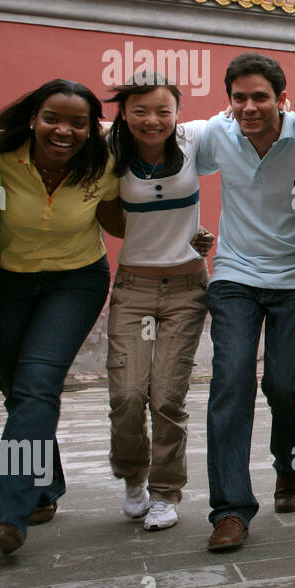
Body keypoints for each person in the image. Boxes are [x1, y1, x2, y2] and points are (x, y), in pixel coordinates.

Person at [0, 79, 121, 555]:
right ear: (32, 118)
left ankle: (12, 513)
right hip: (9, 280)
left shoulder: (106, 158)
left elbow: (121, 214)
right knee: (19, 391)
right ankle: (46, 483)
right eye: (52, 118)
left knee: (37, 384)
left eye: (79, 123)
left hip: (76, 280)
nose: (64, 131)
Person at [197, 53, 295, 552]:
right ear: (229, 101)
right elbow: (161, 146)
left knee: (288, 385)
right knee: (230, 381)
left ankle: (290, 466)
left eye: (260, 97)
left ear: (282, 99)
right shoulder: (216, 133)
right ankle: (229, 509)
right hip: (234, 275)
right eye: (239, 98)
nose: (249, 107)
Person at [104, 75, 213, 532]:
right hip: (133, 288)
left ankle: (166, 493)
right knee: (128, 394)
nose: (152, 120)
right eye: (140, 111)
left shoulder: (193, 139)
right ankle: (134, 476)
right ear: (124, 114)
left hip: (187, 288)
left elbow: (253, 118)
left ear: (177, 113)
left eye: (163, 111)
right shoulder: (109, 147)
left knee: (167, 396)